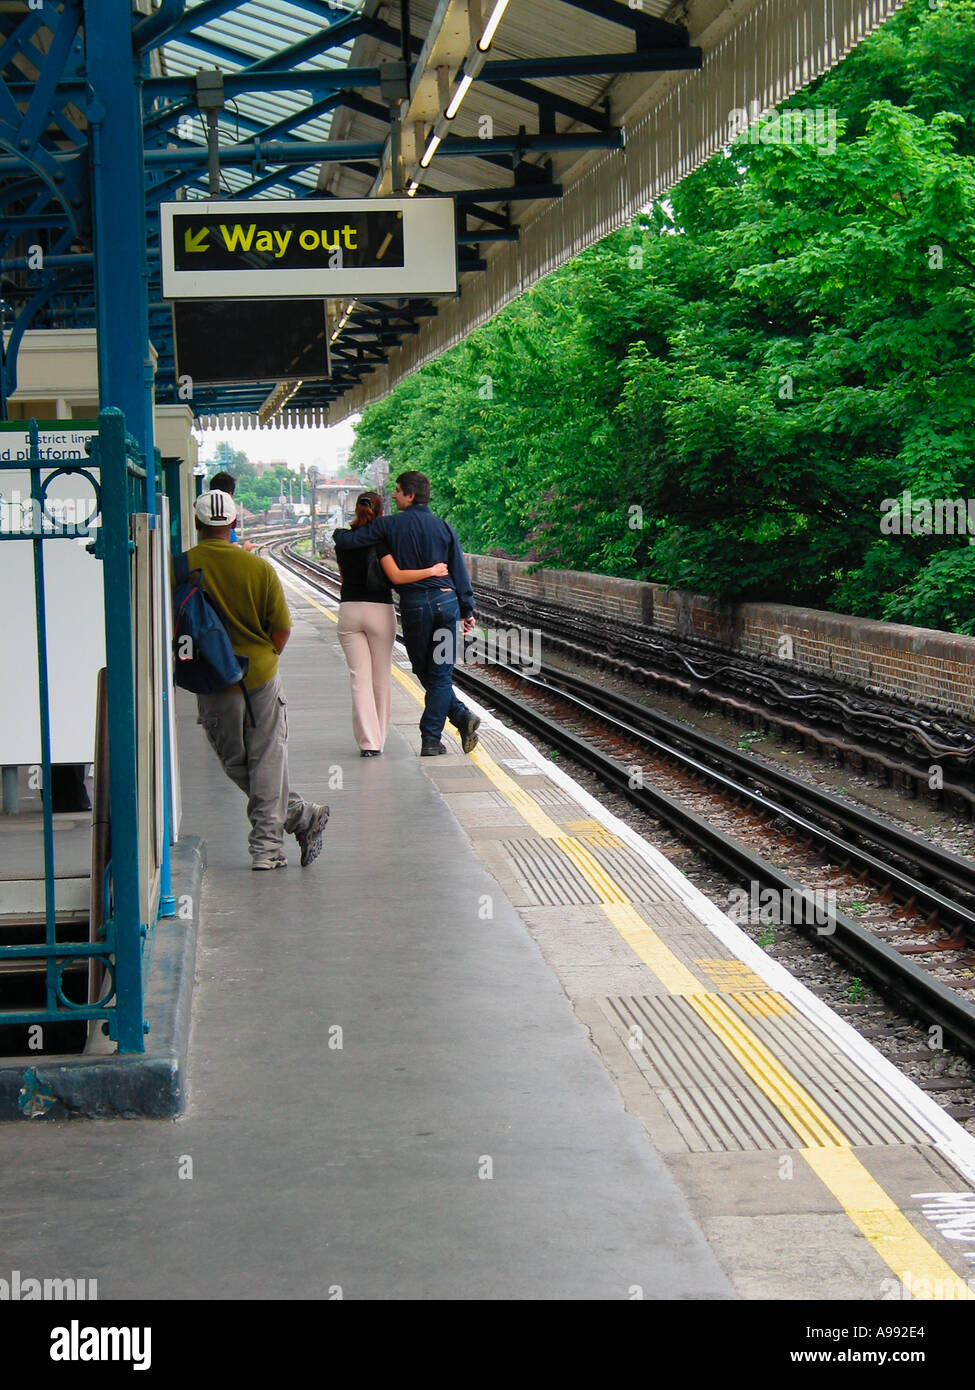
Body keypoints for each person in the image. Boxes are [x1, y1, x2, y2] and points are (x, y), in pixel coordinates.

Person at [176, 488, 328, 870]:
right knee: (267, 758)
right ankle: (295, 817)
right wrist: (265, 657)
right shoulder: (258, 568)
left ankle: (269, 846)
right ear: (233, 523)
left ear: (197, 524)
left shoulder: (177, 567)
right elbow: (281, 629)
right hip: (259, 675)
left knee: (235, 761)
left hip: (211, 680)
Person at [332, 472, 480, 757]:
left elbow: (349, 542)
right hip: (446, 605)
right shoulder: (444, 527)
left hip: (415, 607)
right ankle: (449, 725)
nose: (395, 495)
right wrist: (467, 609)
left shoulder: (389, 526)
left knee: (427, 671)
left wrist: (339, 533)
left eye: (398, 490)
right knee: (438, 673)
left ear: (410, 495)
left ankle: (436, 734)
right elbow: (458, 571)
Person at [210, 470, 255, 550]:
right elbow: (233, 554)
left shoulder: (204, 513)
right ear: (230, 494)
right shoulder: (226, 517)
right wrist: (245, 549)